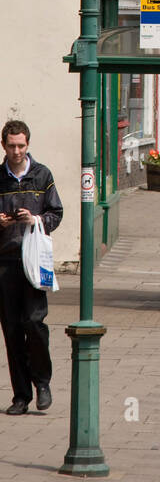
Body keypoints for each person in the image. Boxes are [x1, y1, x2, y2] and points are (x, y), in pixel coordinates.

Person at [0, 120, 63, 415]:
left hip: (33, 260)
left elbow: (55, 212)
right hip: (5, 261)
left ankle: (43, 383)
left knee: (35, 324)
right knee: (12, 329)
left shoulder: (42, 175)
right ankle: (21, 396)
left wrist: (35, 220)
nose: (16, 151)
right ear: (4, 146)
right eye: (11, 146)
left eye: (21, 146)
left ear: (28, 145)